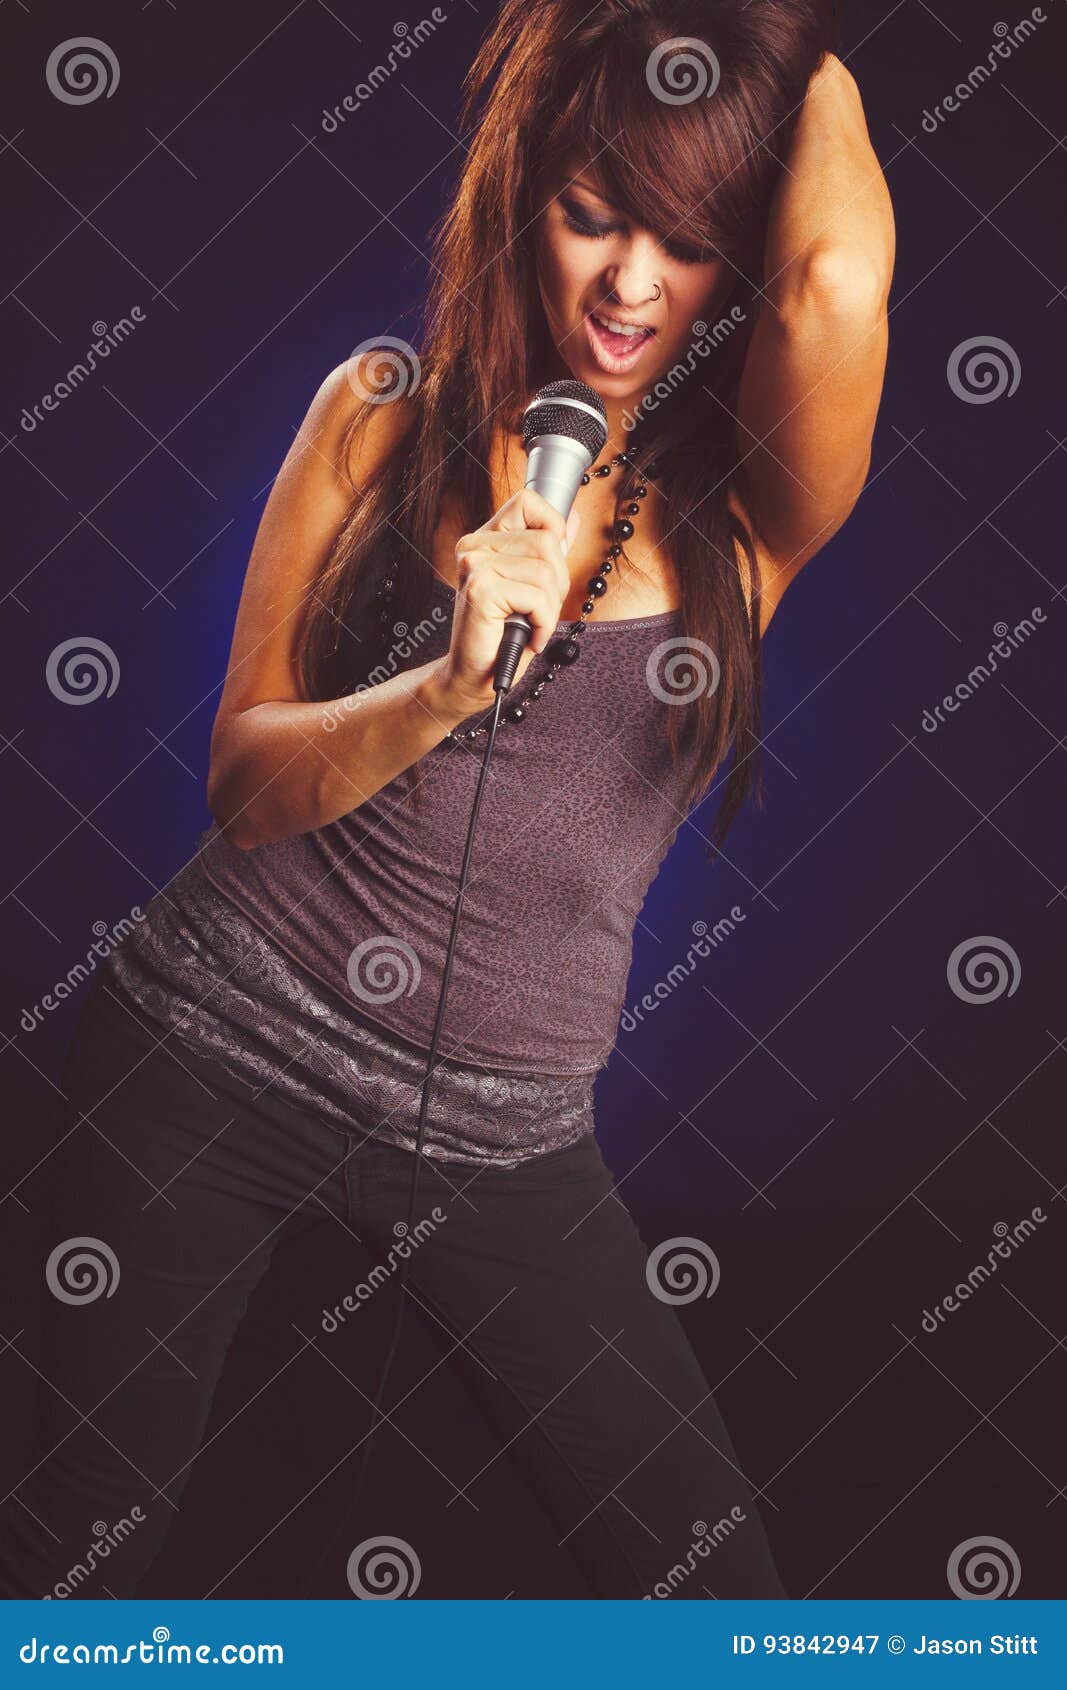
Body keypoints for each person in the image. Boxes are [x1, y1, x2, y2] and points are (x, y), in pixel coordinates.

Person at [0, 0, 893, 1600]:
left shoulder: (745, 522)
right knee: (78, 1565)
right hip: (206, 1052)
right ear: (522, 196)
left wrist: (776, 52)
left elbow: (837, 276)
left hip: (501, 1138)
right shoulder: (378, 415)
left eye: (687, 241)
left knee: (714, 1596)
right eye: (593, 212)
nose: (628, 283)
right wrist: (443, 686)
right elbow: (246, 781)